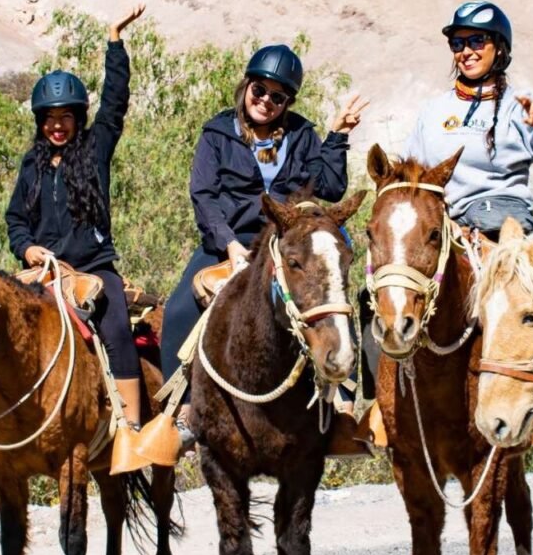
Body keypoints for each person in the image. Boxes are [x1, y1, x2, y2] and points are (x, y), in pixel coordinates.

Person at [118, 44, 368, 471]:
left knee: (332, 298)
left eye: (278, 97)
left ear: (288, 103)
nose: (266, 101)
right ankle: (182, 411)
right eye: (259, 90)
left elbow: (330, 186)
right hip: (229, 241)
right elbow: (204, 195)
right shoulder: (217, 134)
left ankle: (340, 403)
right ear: (245, 86)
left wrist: (338, 134)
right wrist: (230, 244)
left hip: (288, 241)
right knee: (179, 309)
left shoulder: (303, 135)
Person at [5, 4, 146, 439]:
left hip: (93, 269)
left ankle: (132, 429)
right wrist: (27, 248)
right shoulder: (32, 165)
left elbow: (115, 103)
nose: (57, 125)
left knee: (118, 329)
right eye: (49, 118)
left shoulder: (95, 148)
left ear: (78, 117)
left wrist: (115, 40)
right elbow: (15, 221)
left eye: (65, 116)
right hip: (40, 272)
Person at [402, 0, 533, 238]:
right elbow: (409, 172)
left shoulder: (518, 105)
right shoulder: (434, 110)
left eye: (477, 41)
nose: (466, 52)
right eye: (457, 44)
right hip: (445, 227)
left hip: (504, 228)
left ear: (499, 47)